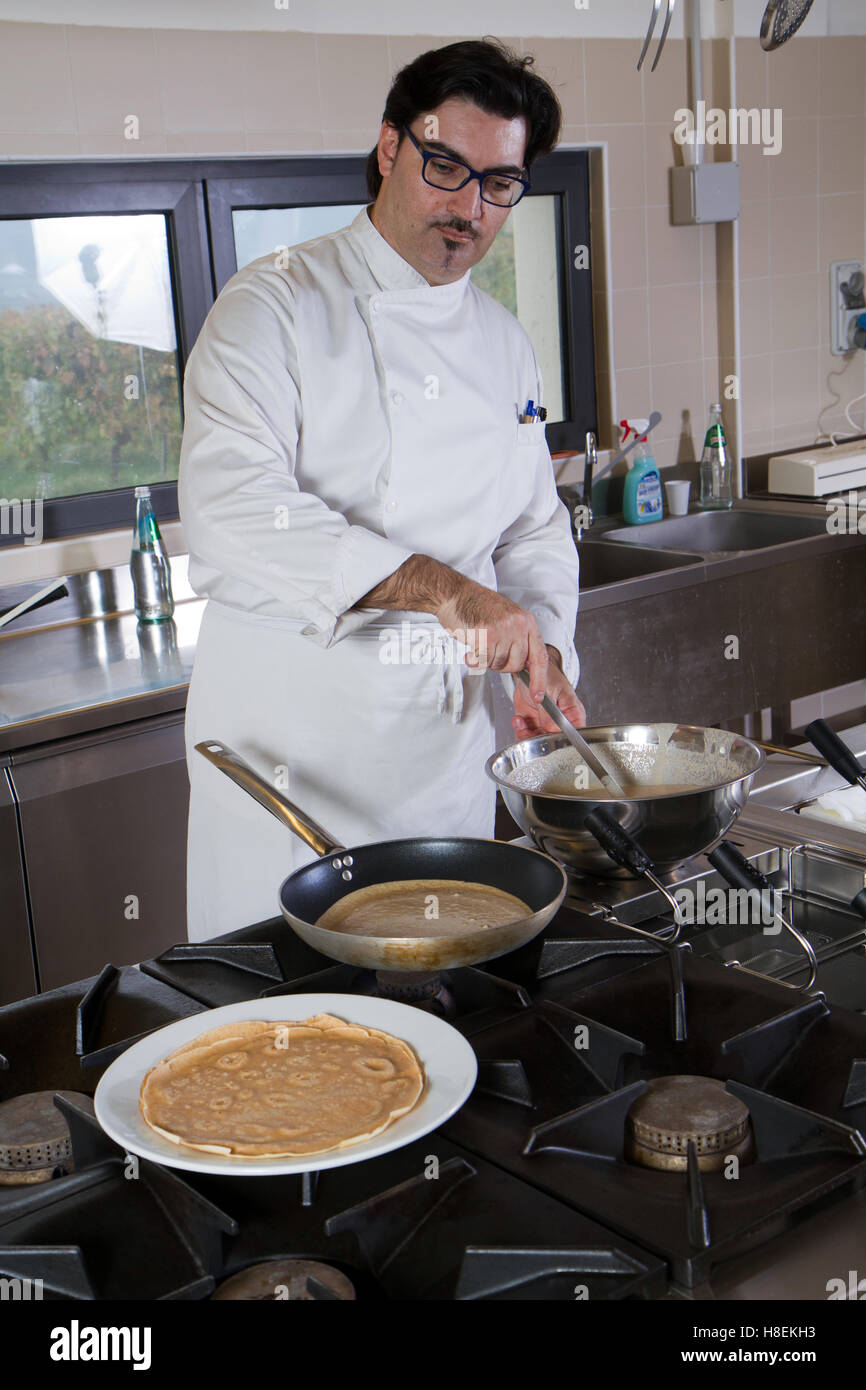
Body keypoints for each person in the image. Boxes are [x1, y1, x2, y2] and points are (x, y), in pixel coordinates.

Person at [179, 38, 584, 942]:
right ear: (391, 147)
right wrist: (444, 588)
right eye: (446, 167)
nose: (470, 208)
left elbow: (531, 531)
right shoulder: (273, 309)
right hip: (296, 765)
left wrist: (544, 654)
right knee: (286, 1040)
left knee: (445, 1010)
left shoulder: (502, 339)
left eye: (500, 184)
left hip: (444, 762)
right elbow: (231, 513)